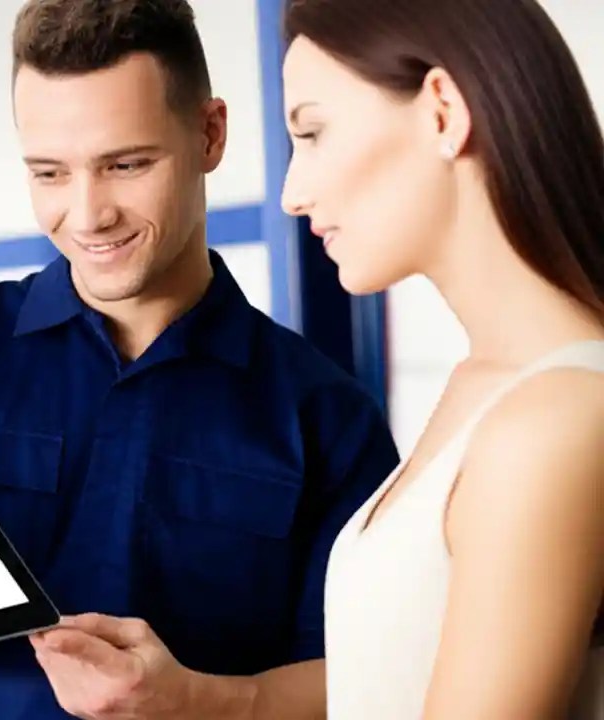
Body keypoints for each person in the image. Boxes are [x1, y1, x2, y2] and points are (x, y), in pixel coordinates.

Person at [0, 1, 400, 718]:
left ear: (210, 133)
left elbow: (367, 679)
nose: (89, 214)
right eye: (50, 174)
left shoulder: (326, 416)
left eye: (125, 165)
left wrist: (203, 701)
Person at [273, 0, 604, 717]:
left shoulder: (552, 418)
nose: (293, 194)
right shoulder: (487, 390)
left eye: (313, 132)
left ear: (442, 111)